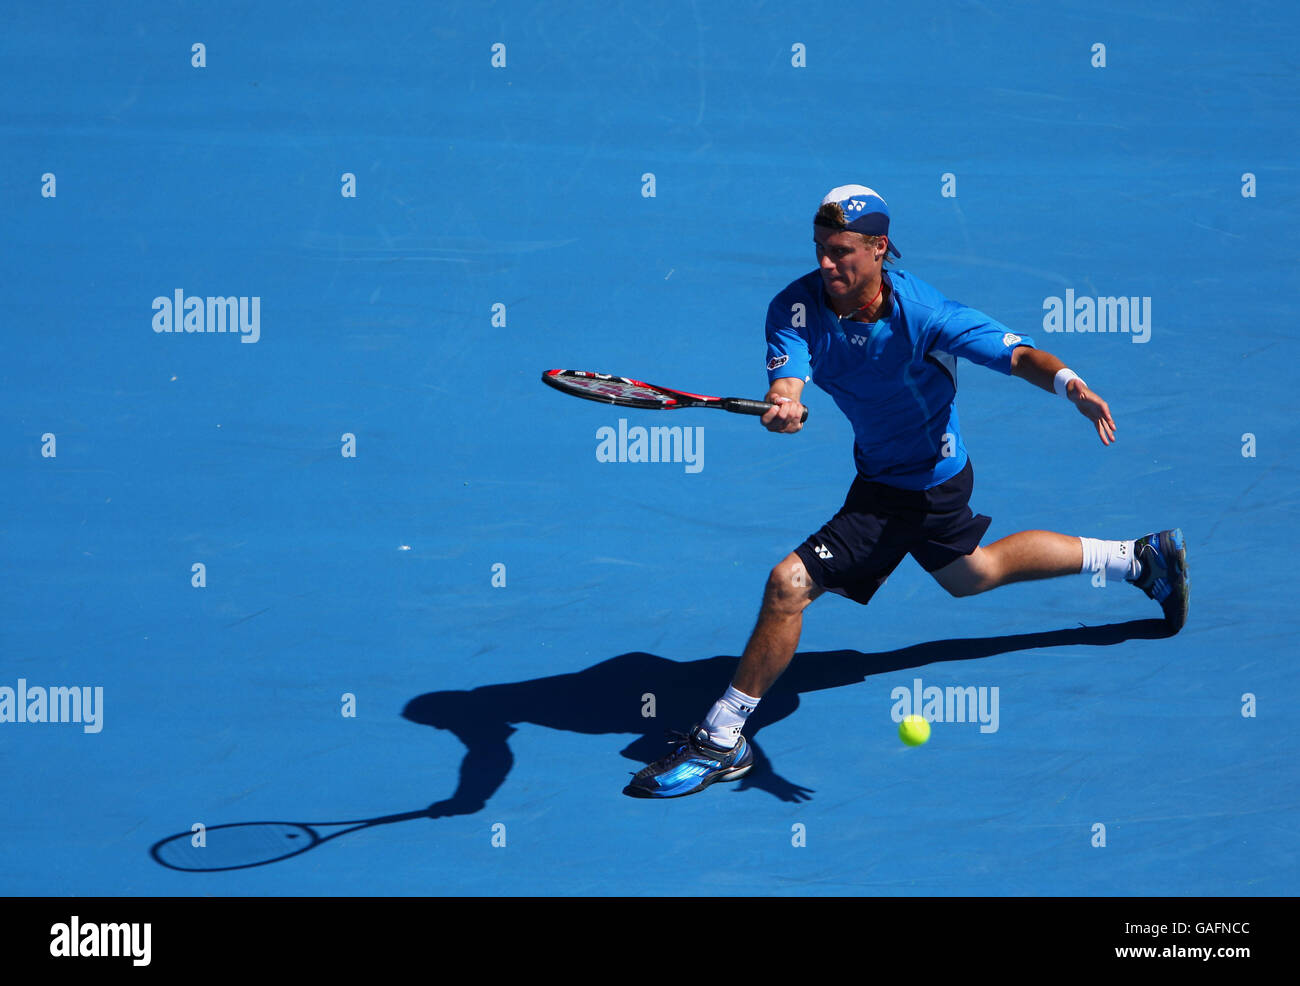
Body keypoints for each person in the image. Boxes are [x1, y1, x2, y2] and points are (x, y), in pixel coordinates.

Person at [623, 184, 1188, 800]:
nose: (825, 264)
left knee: (789, 585)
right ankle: (1139, 557)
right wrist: (784, 406)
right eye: (818, 249)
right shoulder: (795, 307)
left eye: (841, 252)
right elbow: (788, 379)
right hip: (890, 474)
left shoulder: (926, 315)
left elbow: (1018, 355)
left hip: (918, 486)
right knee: (973, 573)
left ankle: (721, 738)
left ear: (878, 248)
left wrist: (1071, 384)